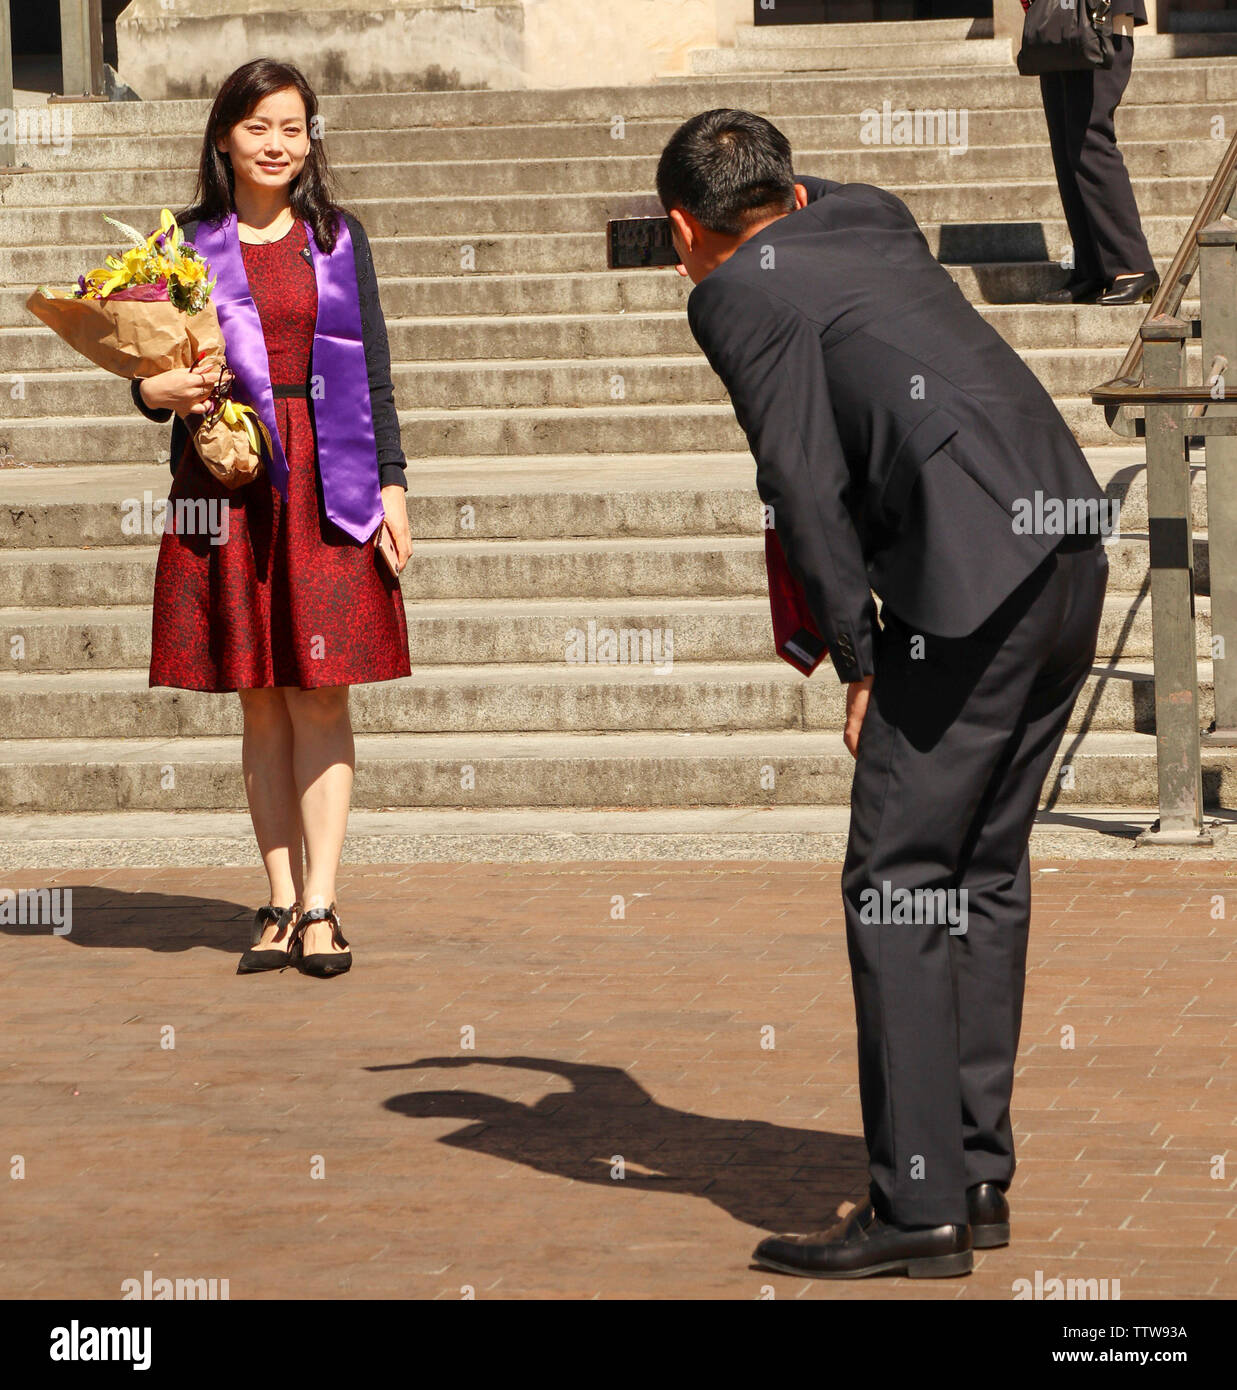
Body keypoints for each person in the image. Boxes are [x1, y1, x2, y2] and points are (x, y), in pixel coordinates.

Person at [659, 109, 1109, 1278]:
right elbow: (806, 210)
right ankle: (971, 1171)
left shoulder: (733, 296)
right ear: (796, 189)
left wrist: (859, 662)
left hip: (966, 586)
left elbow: (802, 488)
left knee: (898, 879)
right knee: (983, 872)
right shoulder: (870, 215)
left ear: (678, 230)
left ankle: (919, 1210)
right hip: (1062, 547)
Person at [131, 58, 413, 978]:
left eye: (293, 128)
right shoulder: (181, 241)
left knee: (322, 691)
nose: (277, 144)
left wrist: (395, 488)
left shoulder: (337, 236)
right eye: (259, 127)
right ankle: (280, 900)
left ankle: (325, 902)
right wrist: (152, 391)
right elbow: (151, 368)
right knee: (259, 696)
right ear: (223, 136)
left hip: (329, 479)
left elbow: (371, 370)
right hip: (230, 486)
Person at [1031, 1, 1159, 305]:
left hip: (1100, 16)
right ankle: (1093, 269)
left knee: (1091, 140)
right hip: (1058, 19)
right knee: (1067, 148)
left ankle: (1133, 266)